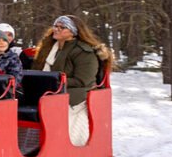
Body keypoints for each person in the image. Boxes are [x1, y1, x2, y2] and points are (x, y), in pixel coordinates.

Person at [31, 13, 113, 145]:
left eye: (62, 27)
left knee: (52, 108)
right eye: (55, 26)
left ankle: (58, 144)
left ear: (73, 32)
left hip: (76, 92)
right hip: (50, 89)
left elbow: (83, 80)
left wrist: (54, 82)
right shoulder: (48, 47)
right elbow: (37, 70)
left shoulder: (84, 52)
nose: (56, 29)